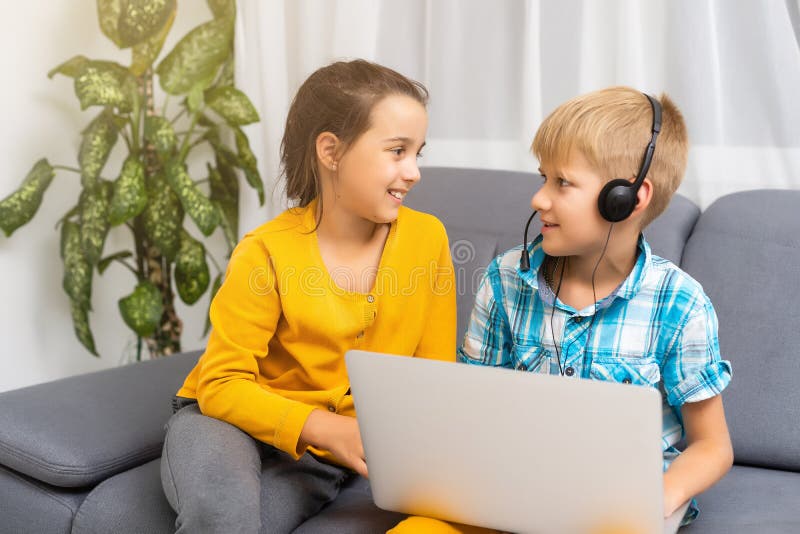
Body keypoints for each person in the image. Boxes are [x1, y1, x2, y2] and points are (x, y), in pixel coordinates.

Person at [390, 87, 733, 533]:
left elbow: (712, 446)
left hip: (617, 509)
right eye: (542, 178)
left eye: (563, 182)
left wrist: (659, 498)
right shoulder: (506, 279)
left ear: (626, 198)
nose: (539, 199)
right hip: (514, 481)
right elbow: (473, 408)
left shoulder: (679, 304)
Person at [160, 59, 456, 534]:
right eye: (397, 151)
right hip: (225, 418)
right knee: (224, 516)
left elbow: (433, 376)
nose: (414, 171)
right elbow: (221, 385)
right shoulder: (265, 251)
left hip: (318, 460)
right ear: (330, 151)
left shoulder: (428, 239)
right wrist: (326, 427)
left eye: (418, 152)